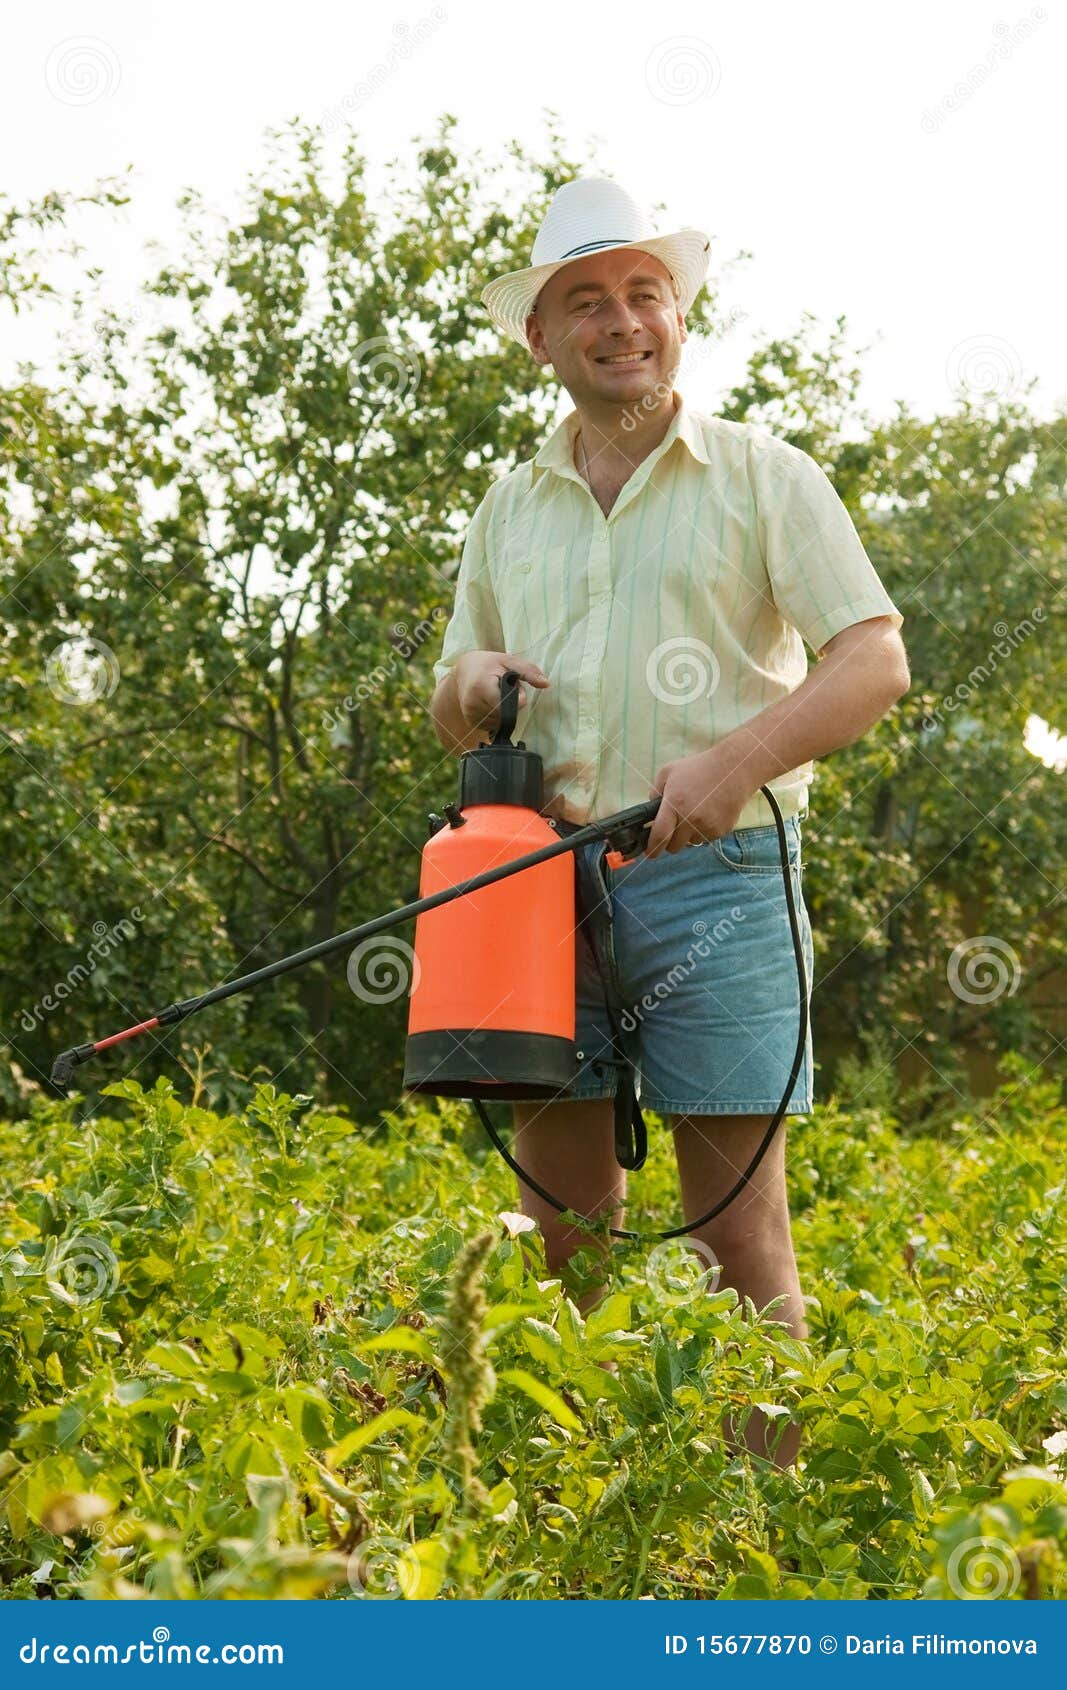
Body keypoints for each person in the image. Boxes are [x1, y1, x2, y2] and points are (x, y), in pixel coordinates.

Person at [428, 177, 909, 1467]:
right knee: (557, 1221)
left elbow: (872, 660)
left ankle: (762, 1521)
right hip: (534, 890)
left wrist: (733, 758)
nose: (620, 319)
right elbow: (452, 686)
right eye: (585, 299)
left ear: (679, 314)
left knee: (736, 1230)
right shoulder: (507, 505)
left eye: (644, 292)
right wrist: (466, 687)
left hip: (722, 877)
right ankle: (556, 1500)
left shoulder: (765, 476)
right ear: (540, 333)